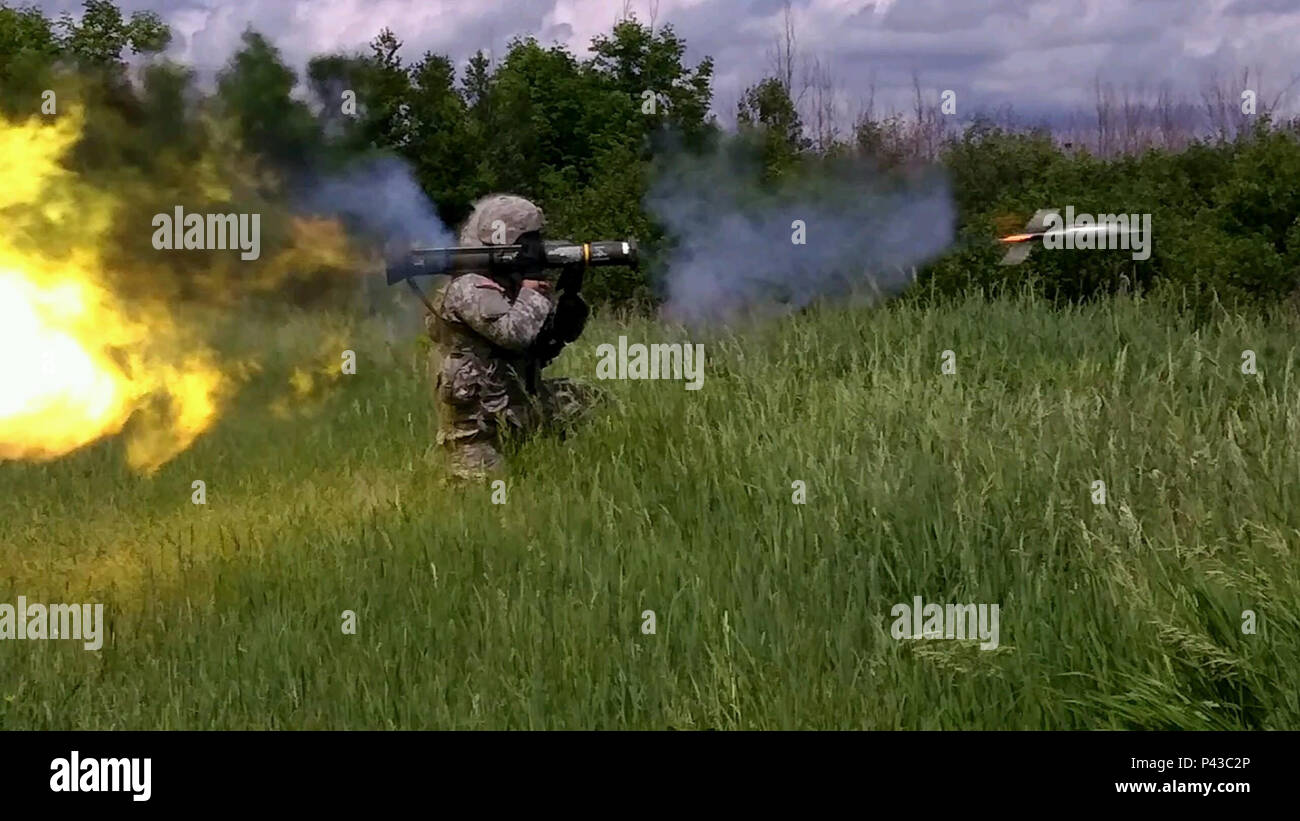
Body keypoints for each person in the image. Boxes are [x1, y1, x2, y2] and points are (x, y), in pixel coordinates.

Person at [426, 194, 594, 480]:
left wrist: (569, 300)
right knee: (484, 496)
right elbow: (513, 335)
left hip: (517, 410)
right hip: (478, 429)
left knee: (587, 399)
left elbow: (539, 348)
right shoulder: (468, 288)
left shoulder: (509, 284)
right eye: (529, 239)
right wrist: (531, 288)